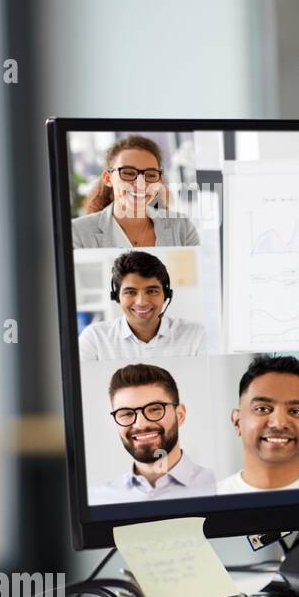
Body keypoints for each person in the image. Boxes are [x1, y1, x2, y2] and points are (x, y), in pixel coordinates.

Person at [89, 364, 216, 504]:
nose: (140, 424)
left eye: (155, 409)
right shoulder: (98, 499)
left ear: (179, 415)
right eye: (126, 413)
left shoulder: (219, 487)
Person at [217, 355, 299, 494]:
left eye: (296, 411)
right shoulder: (209, 501)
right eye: (262, 409)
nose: (279, 424)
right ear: (237, 422)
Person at [72, 135, 199, 248]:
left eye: (150, 174)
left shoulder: (183, 229)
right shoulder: (77, 232)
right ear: (108, 178)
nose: (141, 184)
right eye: (128, 173)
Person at [78, 251, 206, 361]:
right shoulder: (94, 338)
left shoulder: (195, 335)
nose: (141, 302)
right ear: (117, 297)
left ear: (166, 295)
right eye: (130, 292)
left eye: (152, 291)